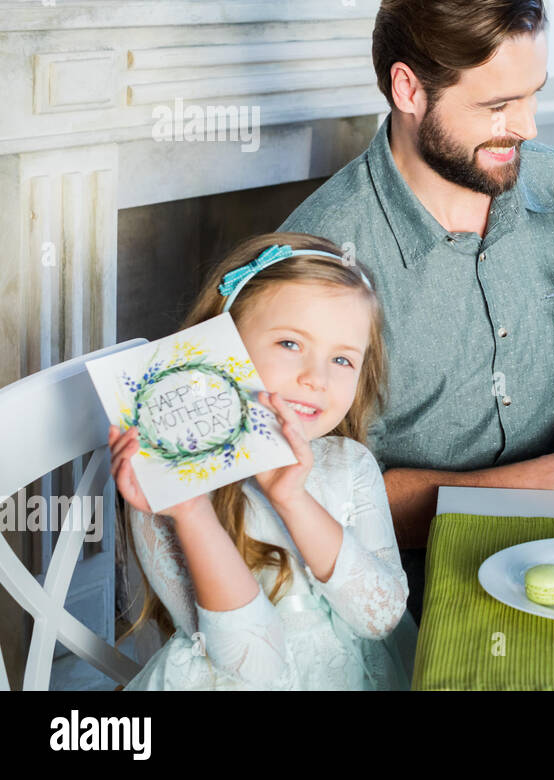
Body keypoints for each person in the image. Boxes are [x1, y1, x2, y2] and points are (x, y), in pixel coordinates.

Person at [280, 0, 554, 615]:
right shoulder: (322, 256)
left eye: (534, 95)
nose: (528, 128)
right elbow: (322, 498)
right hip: (413, 603)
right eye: (499, 104)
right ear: (408, 89)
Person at [112, 232, 417, 689]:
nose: (316, 378)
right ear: (222, 343)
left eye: (342, 359)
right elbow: (251, 665)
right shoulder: (172, 489)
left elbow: (381, 618)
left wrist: (294, 501)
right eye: (291, 344)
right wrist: (194, 513)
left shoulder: (349, 466)